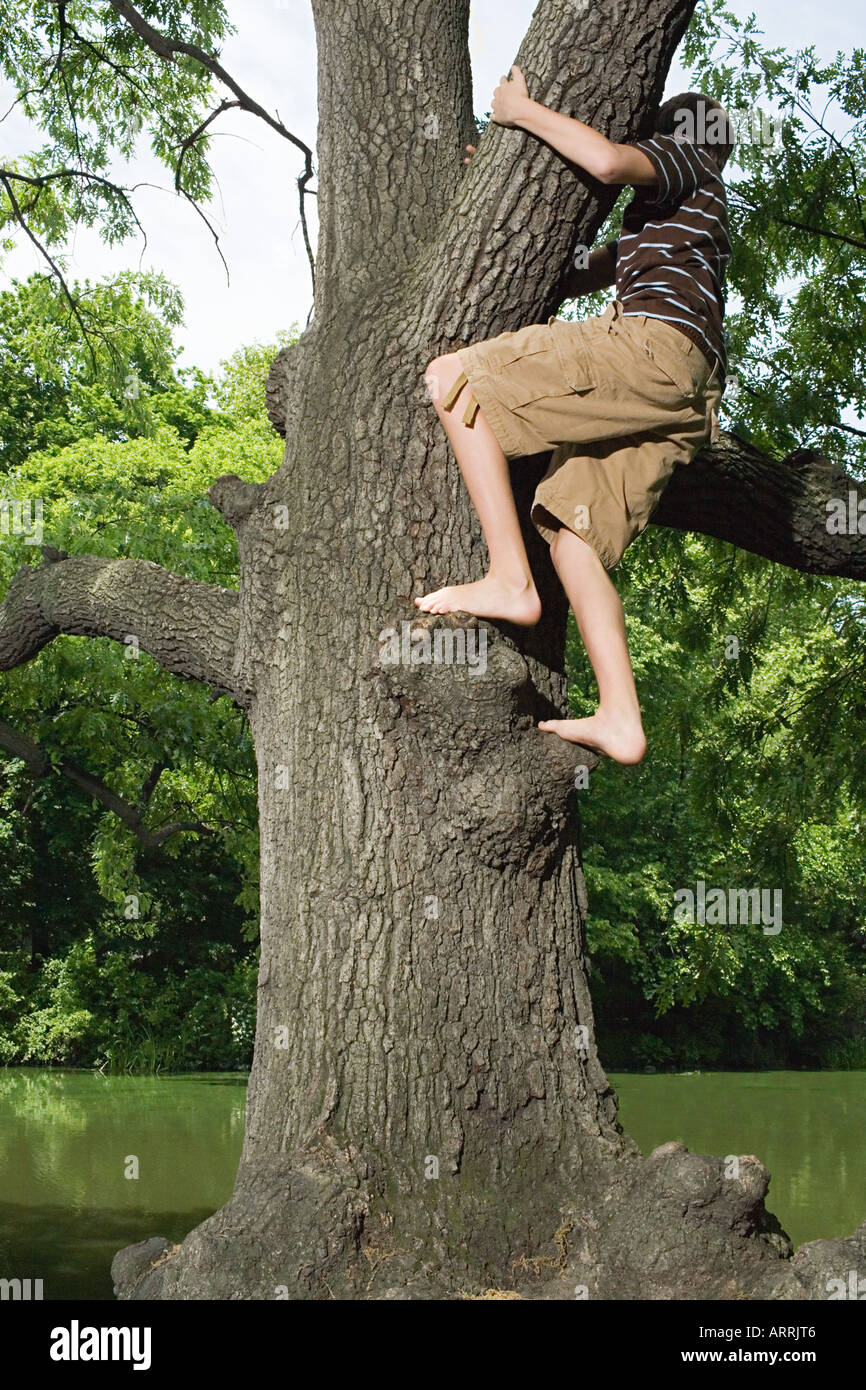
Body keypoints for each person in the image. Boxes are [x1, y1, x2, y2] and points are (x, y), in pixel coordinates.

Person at [417, 68, 732, 764]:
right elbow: (581, 267)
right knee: (573, 535)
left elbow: (606, 160)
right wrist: (501, 174)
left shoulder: (688, 163)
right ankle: (622, 716)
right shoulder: (674, 230)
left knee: (454, 377)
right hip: (686, 393)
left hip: (655, 347)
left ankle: (508, 576)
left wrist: (522, 111)